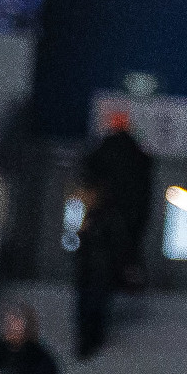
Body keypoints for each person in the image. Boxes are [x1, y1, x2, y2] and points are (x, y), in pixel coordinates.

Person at [74, 109, 154, 359]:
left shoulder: (99, 154)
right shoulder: (138, 156)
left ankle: (86, 335)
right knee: (102, 286)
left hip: (96, 233)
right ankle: (94, 333)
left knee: (87, 287)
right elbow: (144, 198)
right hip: (119, 234)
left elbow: (85, 181)